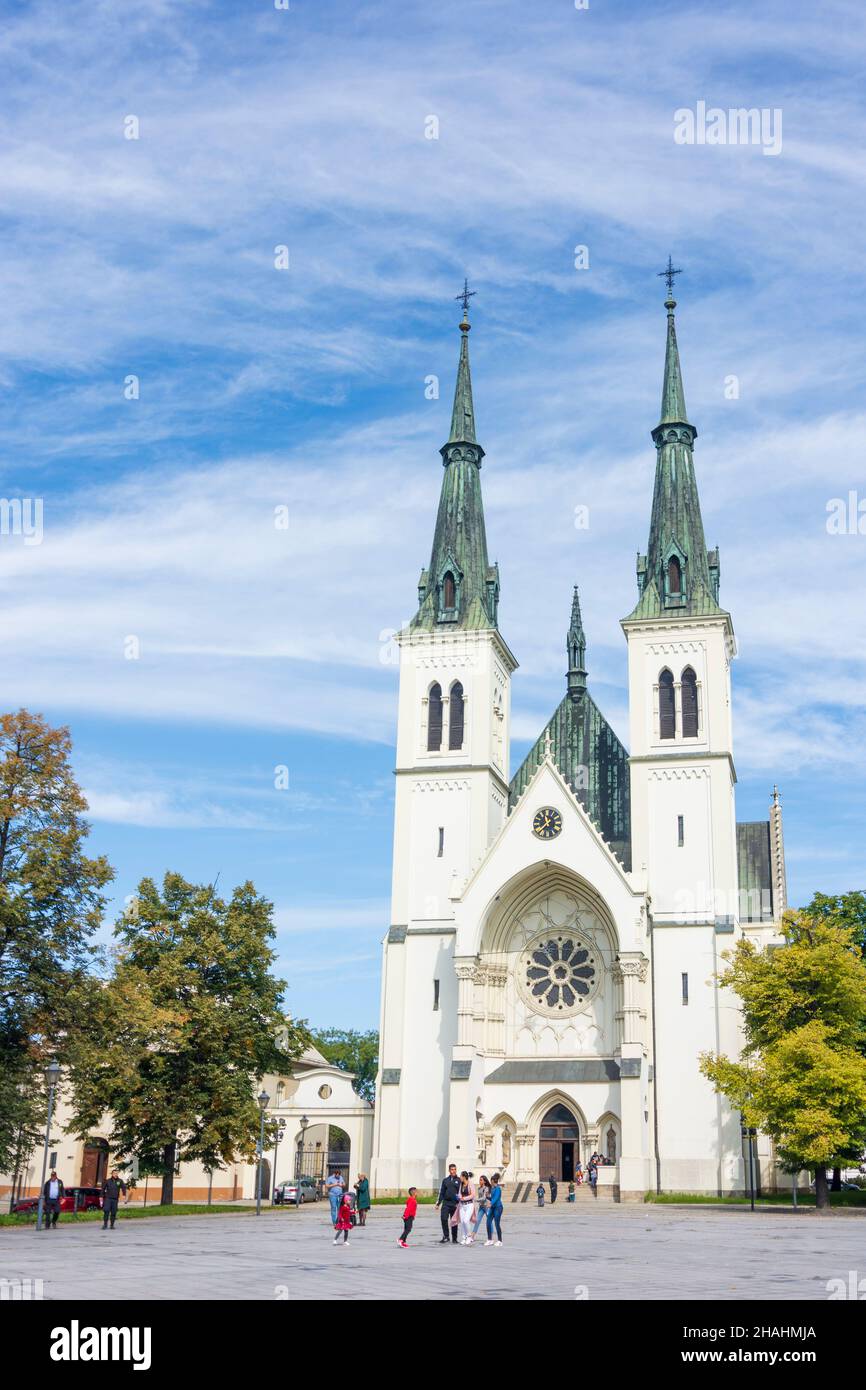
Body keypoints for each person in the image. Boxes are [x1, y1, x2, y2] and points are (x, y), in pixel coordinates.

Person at [436, 1162, 461, 1244]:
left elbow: (462, 1192)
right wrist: (438, 1203)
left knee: (454, 1222)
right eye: (451, 1169)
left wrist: (460, 1202)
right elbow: (442, 1192)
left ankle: (454, 1238)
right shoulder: (445, 1180)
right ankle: (446, 1236)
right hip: (446, 1203)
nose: (453, 1171)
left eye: (454, 1169)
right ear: (449, 1170)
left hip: (455, 1204)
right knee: (443, 1219)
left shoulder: (459, 1180)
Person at [469, 1174, 491, 1243]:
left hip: (486, 1207)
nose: (480, 1181)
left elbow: (484, 1198)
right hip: (481, 1207)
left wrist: (476, 1200)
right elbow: (481, 1198)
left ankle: (490, 1238)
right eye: (479, 1180)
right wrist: (478, 1204)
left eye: (481, 1180)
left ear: (484, 1181)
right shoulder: (479, 1188)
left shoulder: (486, 1188)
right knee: (477, 1221)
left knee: (489, 1222)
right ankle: (472, 1236)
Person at [457, 1171, 476, 1245]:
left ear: (464, 1177)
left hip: (469, 1205)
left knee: (466, 1220)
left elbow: (473, 1195)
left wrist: (464, 1198)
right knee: (462, 1221)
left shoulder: (470, 1184)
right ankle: (464, 1237)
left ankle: (469, 1236)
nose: (460, 1178)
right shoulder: (461, 1184)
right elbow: (459, 1193)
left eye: (461, 1176)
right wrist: (458, 1197)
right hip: (462, 1205)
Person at [485, 1173, 503, 1246]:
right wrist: (487, 1197)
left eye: (491, 1181)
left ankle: (500, 1240)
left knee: (496, 1223)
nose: (490, 1182)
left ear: (493, 1181)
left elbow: (496, 1198)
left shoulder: (498, 1188)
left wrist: (490, 1203)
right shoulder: (492, 1188)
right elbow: (492, 1198)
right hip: (493, 1207)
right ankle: (490, 1239)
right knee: (488, 1222)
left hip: (498, 1208)